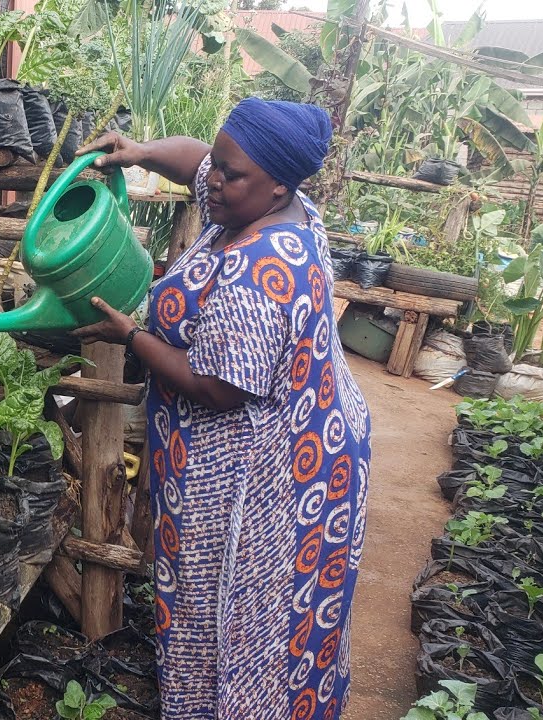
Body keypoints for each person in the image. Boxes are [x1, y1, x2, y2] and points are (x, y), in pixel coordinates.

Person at [72, 97, 372, 720]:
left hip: (268, 471)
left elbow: (218, 389)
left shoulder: (261, 268)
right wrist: (142, 152)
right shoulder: (264, 199)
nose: (213, 178)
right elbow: (196, 163)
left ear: (278, 185)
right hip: (307, 429)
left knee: (238, 613)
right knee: (261, 610)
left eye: (229, 174)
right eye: (220, 162)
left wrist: (132, 336)